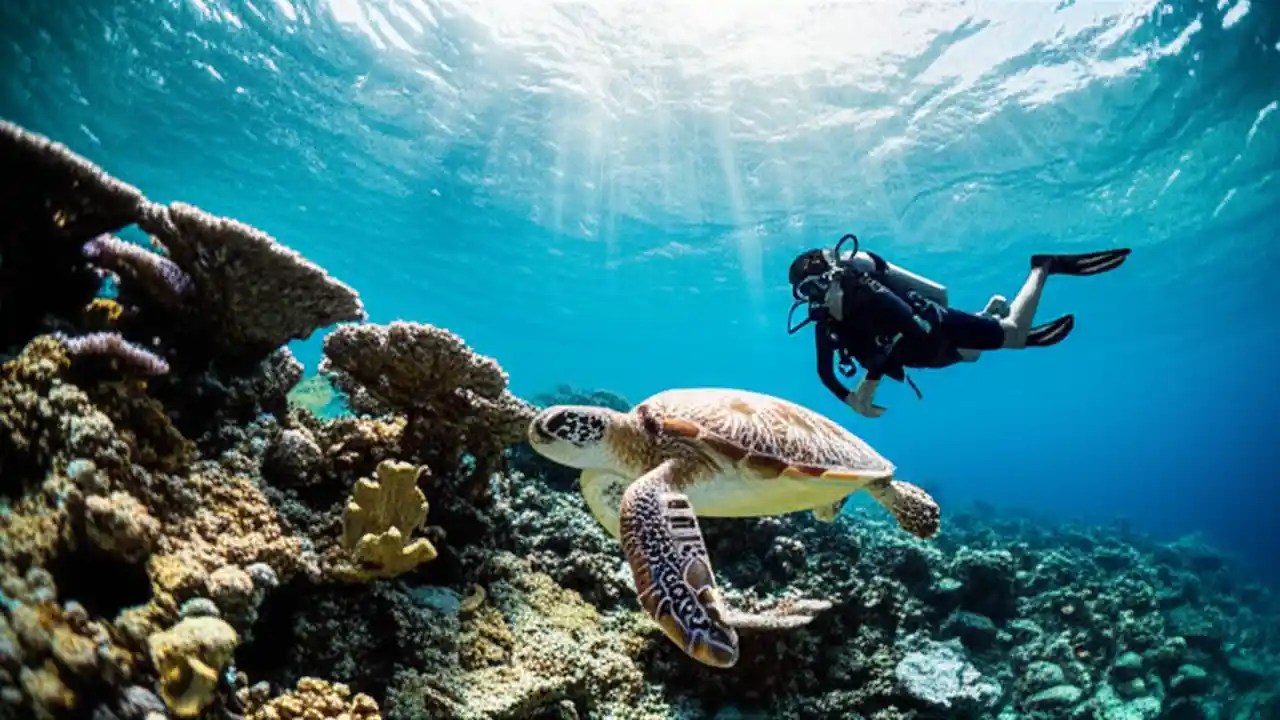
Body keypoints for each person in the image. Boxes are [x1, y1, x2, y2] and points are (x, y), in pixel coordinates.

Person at [786, 234, 1130, 418]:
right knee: (972, 356)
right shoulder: (826, 318)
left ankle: (1044, 267)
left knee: (1012, 334)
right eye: (806, 294)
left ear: (833, 276)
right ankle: (987, 317)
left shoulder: (864, 290)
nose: (815, 298)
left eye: (817, 287)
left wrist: (869, 386)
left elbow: (906, 321)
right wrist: (852, 401)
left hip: (933, 325)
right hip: (920, 353)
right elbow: (824, 372)